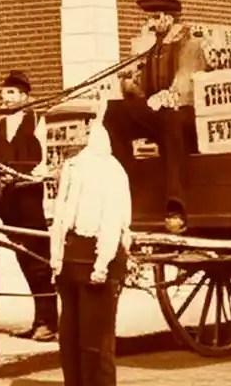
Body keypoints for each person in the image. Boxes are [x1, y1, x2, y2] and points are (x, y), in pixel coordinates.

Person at [102, 0, 206, 234]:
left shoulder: (190, 44)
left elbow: (184, 85)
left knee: (172, 120)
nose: (149, 24)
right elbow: (144, 92)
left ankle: (176, 205)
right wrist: (130, 86)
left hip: (186, 113)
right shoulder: (152, 49)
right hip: (158, 111)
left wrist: (160, 99)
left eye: (153, 19)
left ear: (168, 19)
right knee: (113, 113)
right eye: (148, 19)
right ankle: (126, 186)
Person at [50, 106, 132, 386]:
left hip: (81, 260)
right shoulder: (110, 170)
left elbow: (61, 218)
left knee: (80, 341)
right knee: (90, 342)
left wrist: (58, 259)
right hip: (87, 260)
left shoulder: (80, 167)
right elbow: (112, 221)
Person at [0, 69, 59, 341]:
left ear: (24, 95)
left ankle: (49, 322)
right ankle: (38, 319)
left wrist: (26, 175)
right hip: (7, 198)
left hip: (31, 196)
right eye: (4, 94)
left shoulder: (38, 121)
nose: (5, 99)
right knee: (21, 256)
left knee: (37, 259)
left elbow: (46, 160)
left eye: (10, 94)